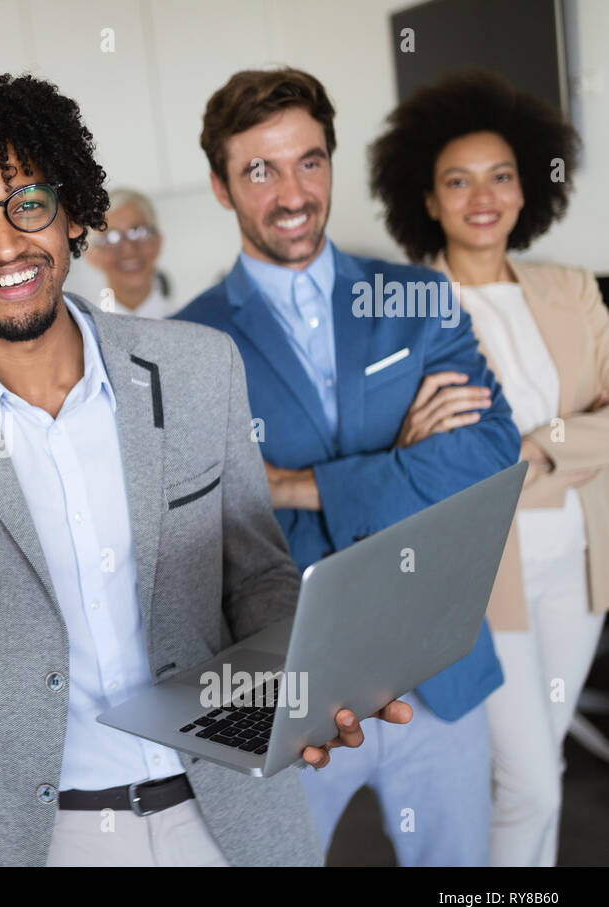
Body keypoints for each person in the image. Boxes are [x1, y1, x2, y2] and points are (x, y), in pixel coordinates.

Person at [0, 70, 411, 868]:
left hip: (227, 805)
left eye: (28, 203)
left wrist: (302, 682)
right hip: (22, 836)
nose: (7, 242)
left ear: (74, 213)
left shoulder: (200, 368)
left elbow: (256, 572)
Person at [175, 68, 521, 866]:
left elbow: (489, 456)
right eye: (259, 169)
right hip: (283, 683)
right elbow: (208, 517)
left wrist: (295, 485)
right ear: (223, 187)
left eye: (309, 161)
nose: (292, 192)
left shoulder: (417, 299)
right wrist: (401, 460)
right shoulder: (185, 345)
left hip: (438, 668)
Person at [370, 69, 609, 866]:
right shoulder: (406, 310)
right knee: (532, 783)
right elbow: (439, 456)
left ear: (525, 188)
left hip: (579, 561)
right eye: (458, 180)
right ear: (427, 200)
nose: (484, 195)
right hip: (484, 573)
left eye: (502, 176)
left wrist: (535, 445)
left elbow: (504, 444)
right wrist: (573, 435)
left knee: (543, 762)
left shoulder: (572, 289)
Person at [85, 187, 176, 318]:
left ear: (158, 241)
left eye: (138, 232)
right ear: (90, 255)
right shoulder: (85, 333)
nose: (128, 249)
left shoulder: (192, 325)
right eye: (111, 238)